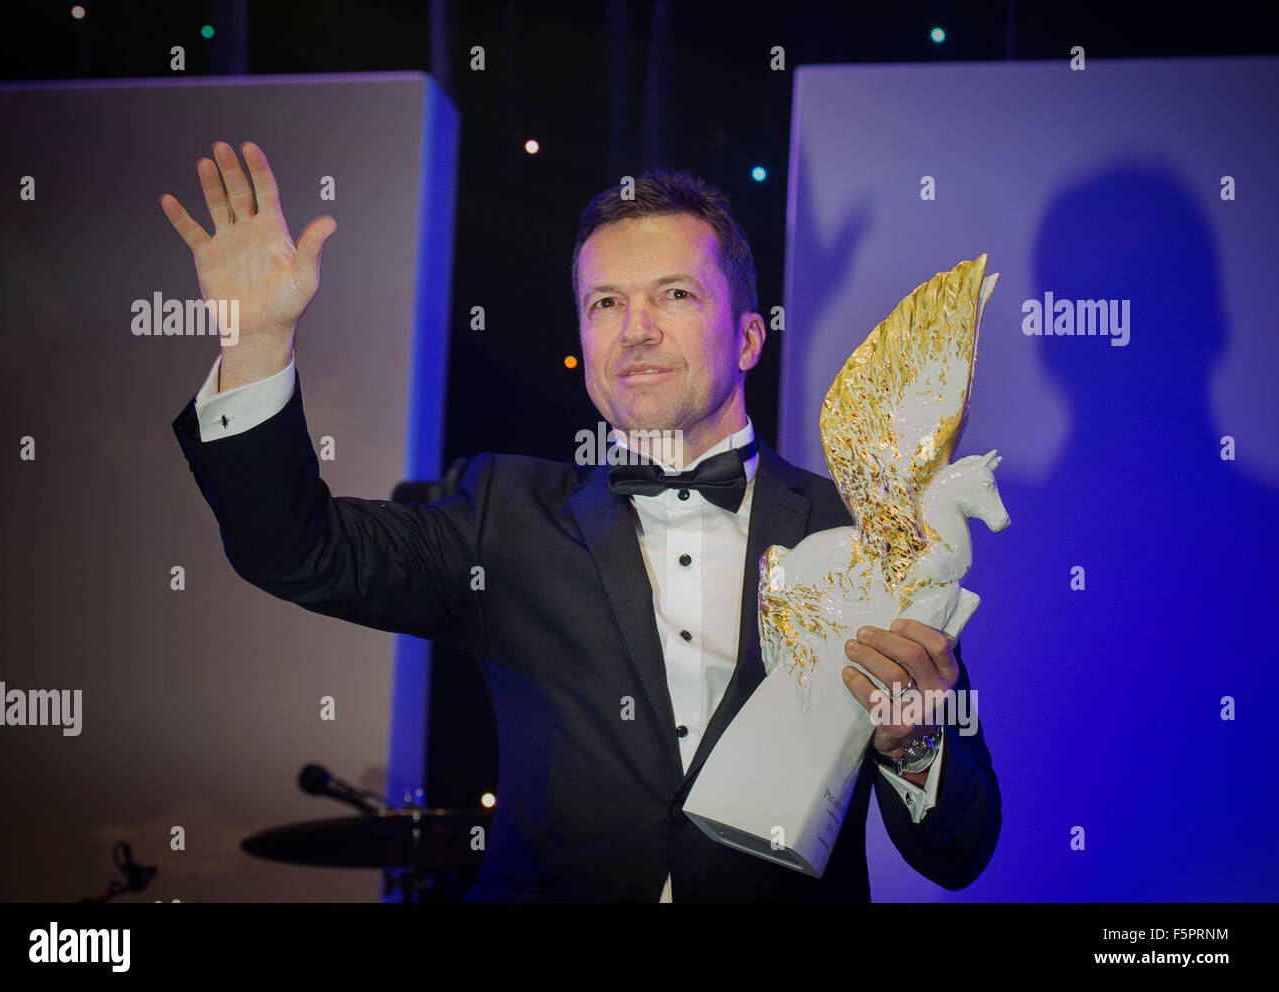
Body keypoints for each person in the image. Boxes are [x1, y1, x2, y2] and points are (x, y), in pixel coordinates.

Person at [164, 141, 1000, 901]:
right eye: (604, 304)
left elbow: (959, 853)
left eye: (673, 294)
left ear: (749, 337)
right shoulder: (501, 513)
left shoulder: (866, 524)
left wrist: (915, 747)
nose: (634, 329)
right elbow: (295, 551)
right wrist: (256, 343)